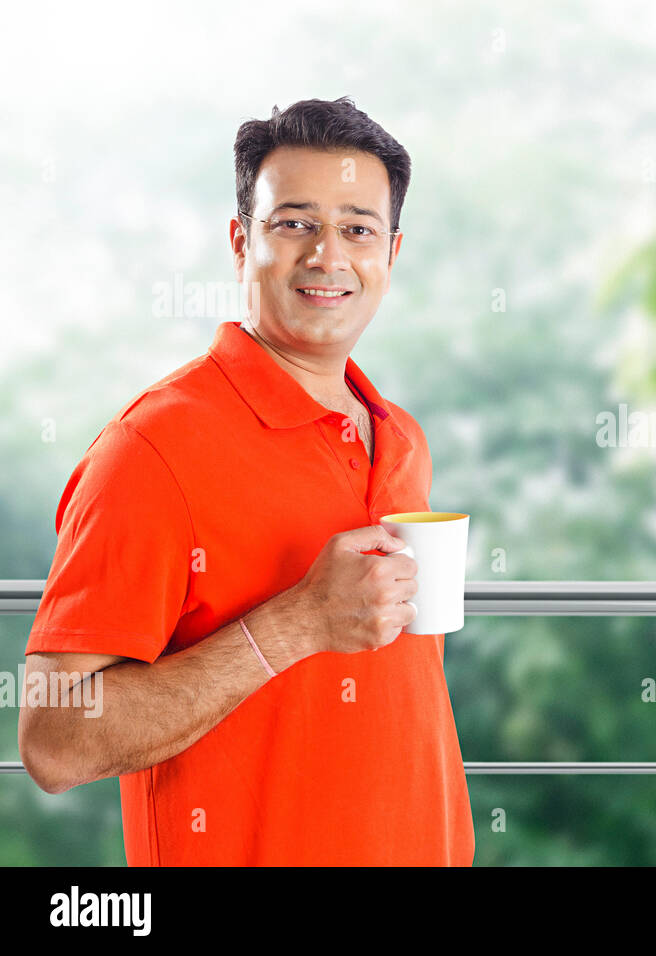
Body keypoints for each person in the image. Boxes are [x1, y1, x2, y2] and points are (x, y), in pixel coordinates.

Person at [18, 97, 475, 866]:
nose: (328, 256)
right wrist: (296, 624)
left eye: (358, 229)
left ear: (391, 254)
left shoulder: (401, 438)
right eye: (294, 223)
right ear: (241, 242)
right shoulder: (152, 448)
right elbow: (53, 738)